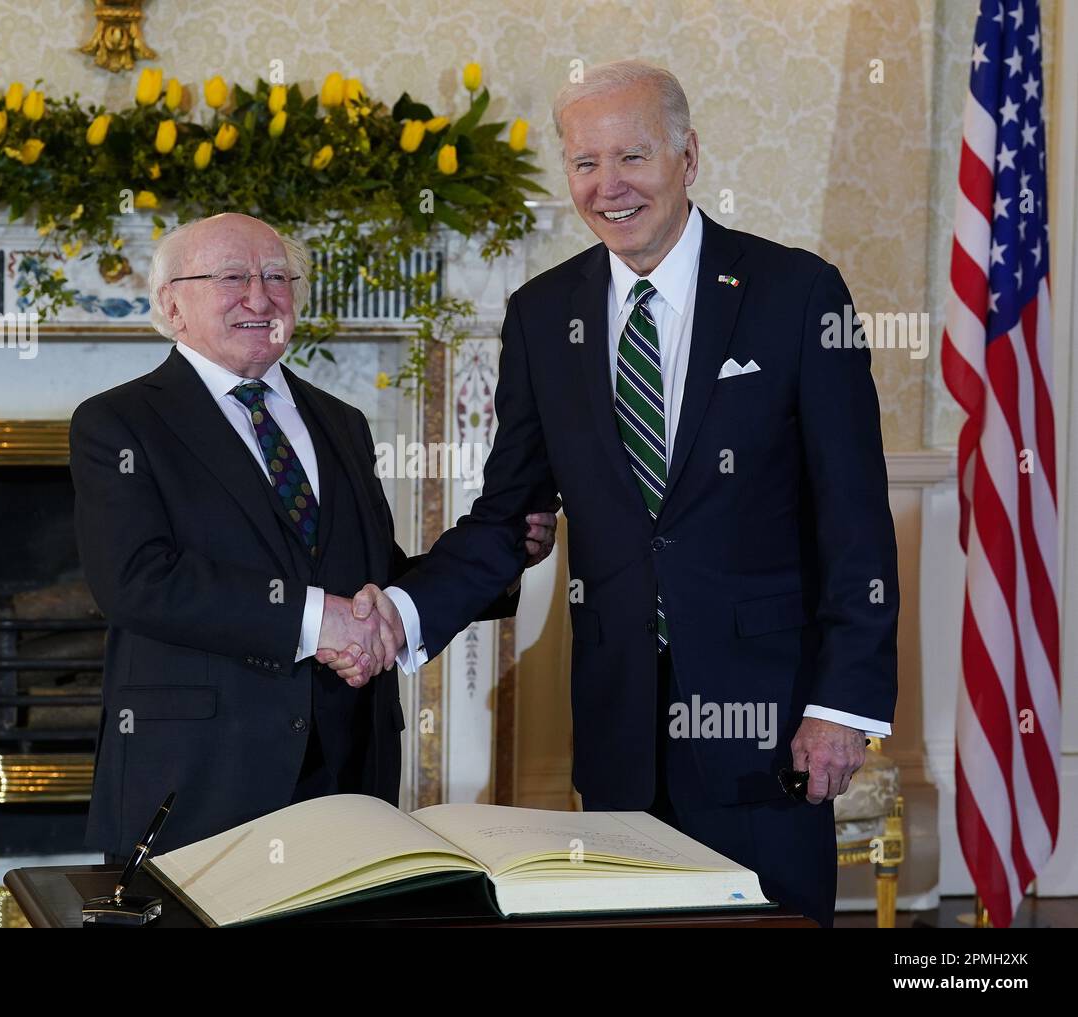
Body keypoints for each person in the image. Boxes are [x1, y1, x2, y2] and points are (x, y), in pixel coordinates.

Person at [324, 61, 899, 927]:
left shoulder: (797, 294)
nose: (609, 186)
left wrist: (841, 707)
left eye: (632, 156)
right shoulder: (541, 315)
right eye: (585, 163)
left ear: (688, 156)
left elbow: (855, 517)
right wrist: (401, 615)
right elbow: (507, 516)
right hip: (620, 722)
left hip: (769, 721)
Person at [69, 213, 558, 859]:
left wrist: (500, 555)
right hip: (198, 783)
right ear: (171, 304)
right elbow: (136, 581)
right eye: (231, 277)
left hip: (347, 774)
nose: (259, 296)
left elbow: (371, 580)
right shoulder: (117, 422)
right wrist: (322, 621)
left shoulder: (341, 422)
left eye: (277, 276)